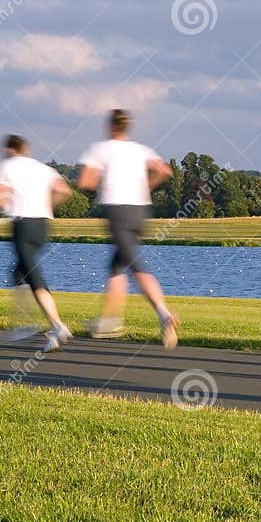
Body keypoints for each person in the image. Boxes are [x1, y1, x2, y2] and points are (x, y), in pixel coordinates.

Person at [78, 109, 179, 349]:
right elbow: (165, 170)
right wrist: (147, 185)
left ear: (111, 126)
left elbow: (85, 182)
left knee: (135, 264)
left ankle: (164, 314)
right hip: (140, 210)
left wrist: (102, 184)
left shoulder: (100, 149)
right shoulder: (140, 149)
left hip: (117, 210)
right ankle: (109, 321)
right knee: (117, 265)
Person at [0, 135, 73, 353]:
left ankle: (57, 326)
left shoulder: (6, 166)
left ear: (9, 150)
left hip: (22, 225)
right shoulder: (42, 168)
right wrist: (48, 205)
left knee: (34, 276)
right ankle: (23, 324)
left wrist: (9, 205)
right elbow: (64, 190)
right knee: (19, 272)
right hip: (42, 225)